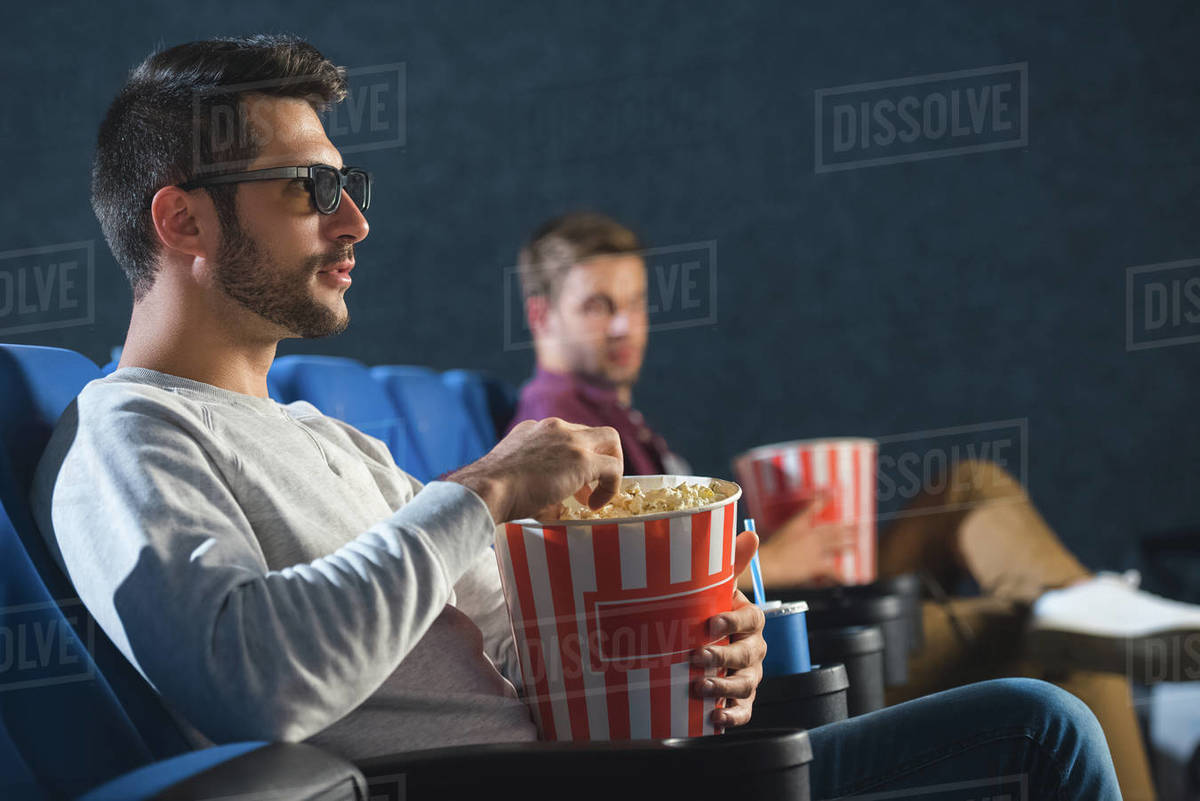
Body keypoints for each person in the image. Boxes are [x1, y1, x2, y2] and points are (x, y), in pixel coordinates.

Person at [32, 36, 1120, 800]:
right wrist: (485, 487)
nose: (354, 218)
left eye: (348, 182)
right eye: (308, 188)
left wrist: (706, 641)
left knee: (1036, 717)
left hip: (629, 760)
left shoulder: (329, 437)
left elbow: (521, 633)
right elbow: (254, 683)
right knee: (1038, 727)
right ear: (183, 219)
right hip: (541, 786)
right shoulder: (127, 434)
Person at [508, 210, 1200, 799]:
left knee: (970, 485)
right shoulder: (555, 435)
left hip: (788, 602)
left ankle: (1087, 603)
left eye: (635, 302)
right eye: (597, 306)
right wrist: (775, 559)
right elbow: (617, 605)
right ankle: (1081, 611)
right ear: (540, 315)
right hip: (785, 648)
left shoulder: (618, 419)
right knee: (1056, 644)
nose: (625, 324)